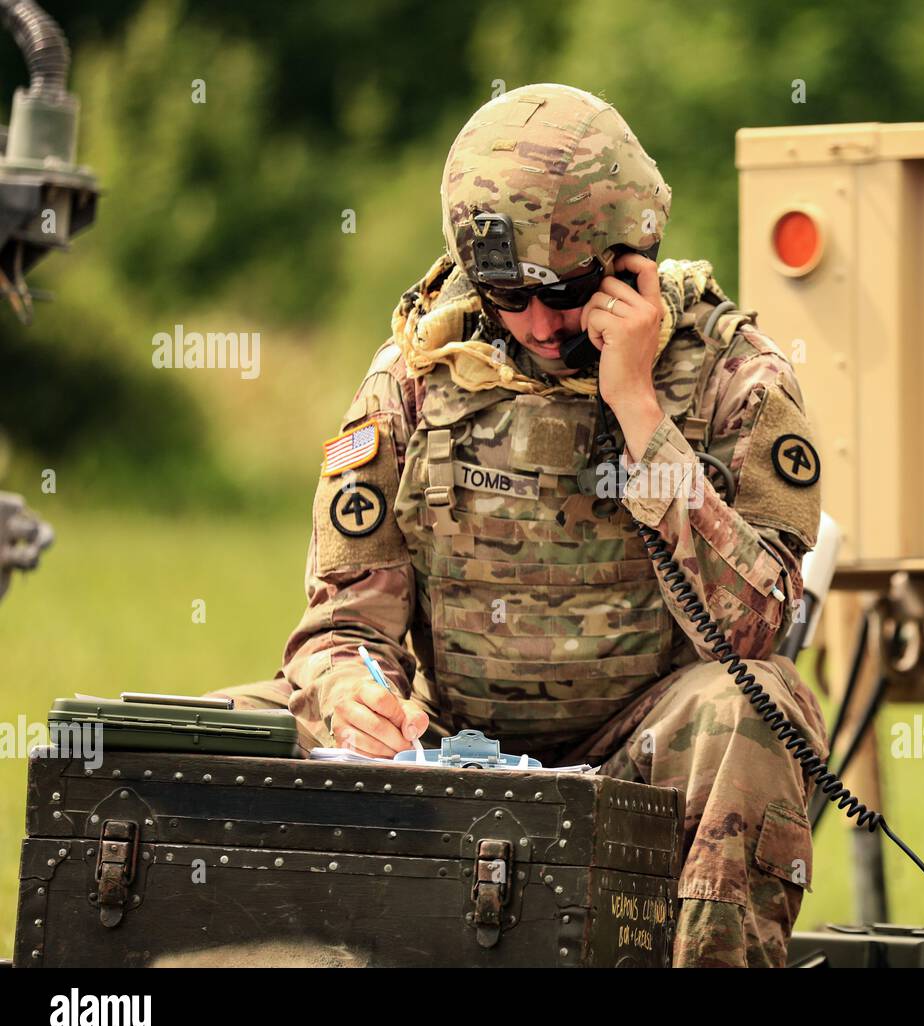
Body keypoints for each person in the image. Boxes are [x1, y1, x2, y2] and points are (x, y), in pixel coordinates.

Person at [217, 83, 827, 967]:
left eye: (568, 292)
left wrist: (638, 408)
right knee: (203, 736)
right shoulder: (419, 377)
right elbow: (341, 628)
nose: (539, 325)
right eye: (507, 295)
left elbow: (755, 628)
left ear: (633, 257)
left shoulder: (734, 376)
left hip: (641, 761)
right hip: (444, 752)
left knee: (759, 706)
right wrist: (351, 694)